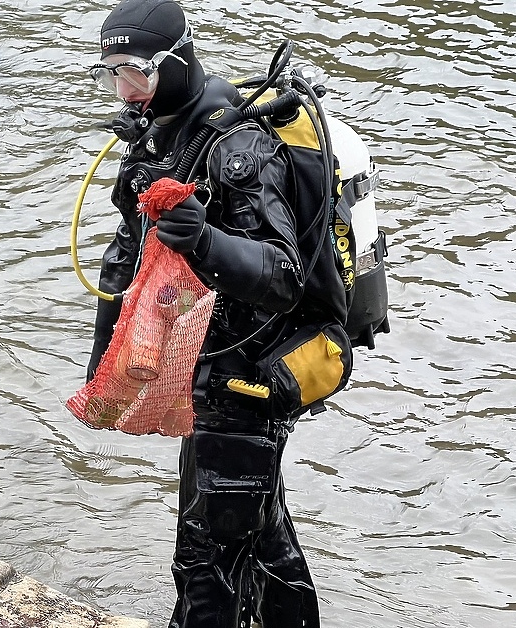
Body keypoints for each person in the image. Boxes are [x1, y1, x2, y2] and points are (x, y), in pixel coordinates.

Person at [85, 0, 354, 626]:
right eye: (112, 74)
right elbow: (124, 258)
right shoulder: (158, 144)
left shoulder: (241, 150)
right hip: (208, 373)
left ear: (179, 63)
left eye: (137, 72)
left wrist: (203, 240)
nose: (126, 91)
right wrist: (104, 371)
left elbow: (284, 276)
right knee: (261, 541)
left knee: (205, 559)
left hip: (253, 376)